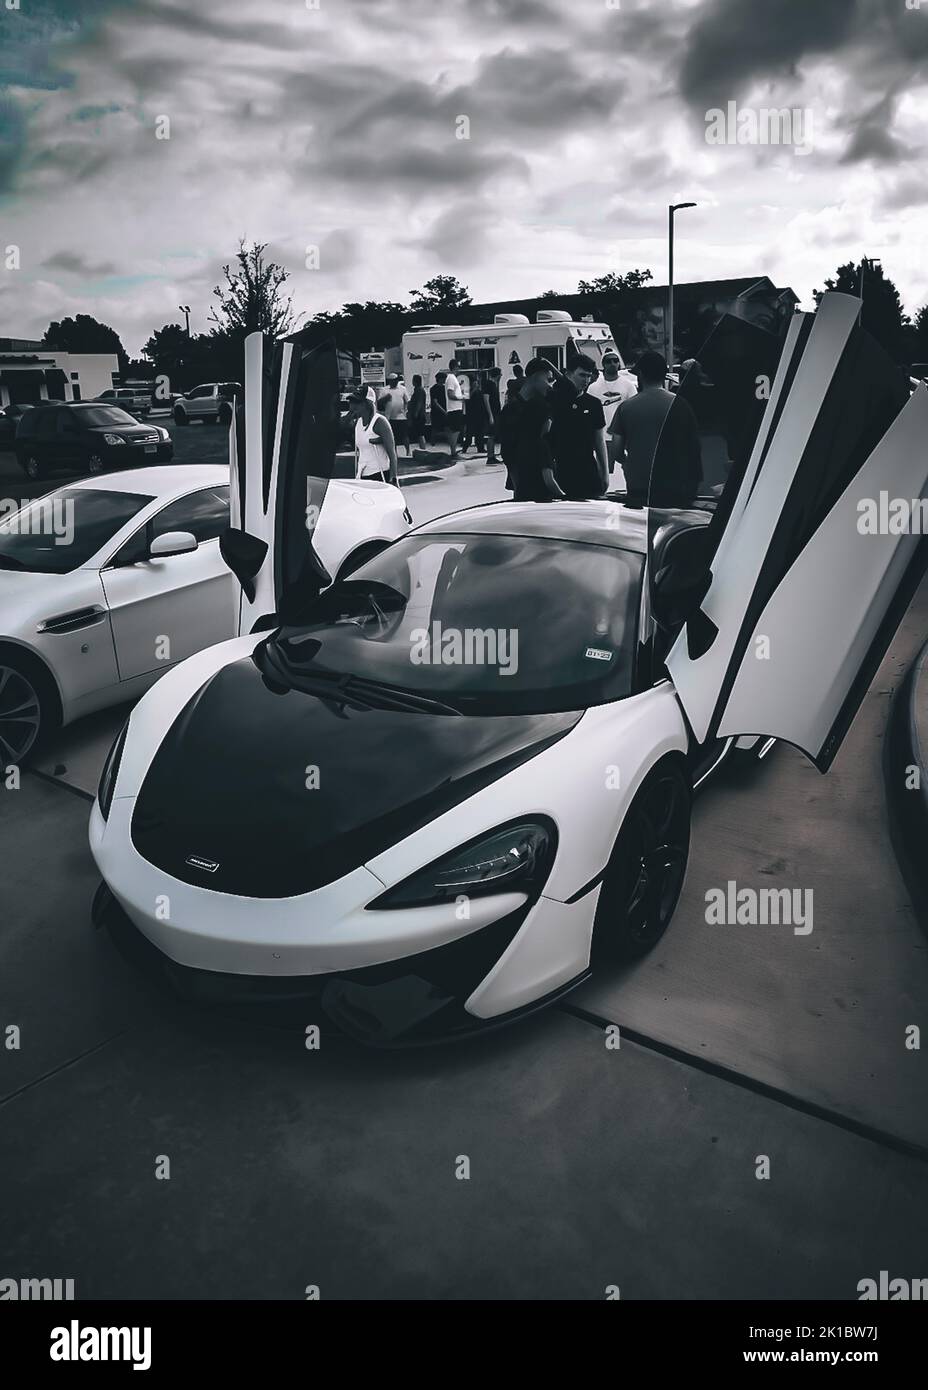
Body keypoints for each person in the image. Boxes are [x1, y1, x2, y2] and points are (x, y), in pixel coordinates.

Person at [608, 350, 701, 505]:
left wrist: (629, 464)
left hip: (638, 486)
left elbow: (616, 451)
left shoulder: (626, 408)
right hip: (674, 486)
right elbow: (693, 449)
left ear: (641, 375)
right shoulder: (681, 405)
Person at [496, 356, 563, 502]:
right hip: (526, 482)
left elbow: (568, 388)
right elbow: (508, 454)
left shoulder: (545, 403)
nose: (550, 385)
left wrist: (548, 363)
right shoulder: (511, 411)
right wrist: (517, 487)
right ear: (535, 377)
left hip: (546, 474)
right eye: (548, 379)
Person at [350, 389, 398, 485]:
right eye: (352, 402)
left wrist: (393, 478)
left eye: (357, 402)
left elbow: (392, 454)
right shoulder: (358, 423)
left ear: (367, 404)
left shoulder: (380, 422)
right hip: (362, 474)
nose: (353, 405)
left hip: (379, 474)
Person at [586, 349, 635, 434]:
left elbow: (634, 411)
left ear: (619, 363)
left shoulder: (629, 385)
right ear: (603, 364)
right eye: (609, 361)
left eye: (615, 361)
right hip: (599, 435)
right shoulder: (593, 387)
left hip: (621, 435)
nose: (612, 364)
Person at [380, 372, 411, 457]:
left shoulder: (402, 389)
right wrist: (385, 399)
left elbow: (407, 401)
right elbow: (379, 403)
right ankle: (395, 453)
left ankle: (408, 451)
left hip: (401, 416)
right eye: (392, 380)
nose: (394, 382)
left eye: (395, 380)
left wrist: (406, 410)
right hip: (389, 417)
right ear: (389, 381)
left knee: (404, 435)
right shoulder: (384, 390)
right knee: (393, 437)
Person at [444, 359, 465, 459]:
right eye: (458, 366)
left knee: (455, 430)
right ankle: (453, 452)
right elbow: (450, 394)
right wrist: (461, 397)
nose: (459, 368)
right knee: (455, 430)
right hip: (454, 408)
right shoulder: (451, 378)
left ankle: (453, 451)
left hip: (455, 408)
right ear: (455, 367)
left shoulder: (452, 378)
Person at [465, 374, 491, 454]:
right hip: (471, 414)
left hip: (479, 413)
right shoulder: (467, 390)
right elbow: (467, 399)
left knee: (480, 432)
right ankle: (465, 447)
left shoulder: (479, 391)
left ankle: (480, 447)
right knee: (469, 433)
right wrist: (474, 389)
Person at [484, 367, 502, 463]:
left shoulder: (494, 384)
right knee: (491, 435)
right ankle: (490, 456)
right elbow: (486, 399)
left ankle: (492, 455)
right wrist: (490, 415)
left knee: (493, 435)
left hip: (495, 412)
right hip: (492, 413)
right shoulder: (489, 384)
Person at [407, 373, 427, 451]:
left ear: (415, 381)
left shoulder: (419, 390)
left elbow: (419, 402)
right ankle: (422, 448)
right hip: (418, 415)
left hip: (419, 415)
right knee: (419, 433)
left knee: (420, 433)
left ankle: (423, 449)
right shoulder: (417, 390)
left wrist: (416, 413)